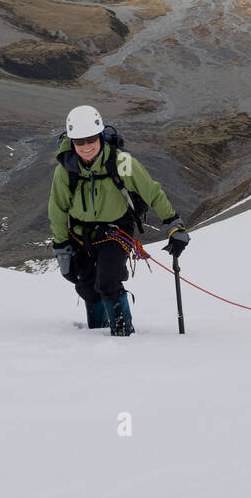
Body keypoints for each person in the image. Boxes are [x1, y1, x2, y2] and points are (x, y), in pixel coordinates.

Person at [49, 104, 190, 336]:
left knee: (108, 282)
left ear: (100, 136)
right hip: (80, 234)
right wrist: (61, 246)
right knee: (86, 285)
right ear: (72, 142)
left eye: (91, 139)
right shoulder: (65, 171)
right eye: (80, 141)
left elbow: (151, 192)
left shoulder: (121, 162)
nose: (86, 146)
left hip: (116, 232)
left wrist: (173, 224)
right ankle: (95, 334)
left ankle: (123, 334)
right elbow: (57, 209)